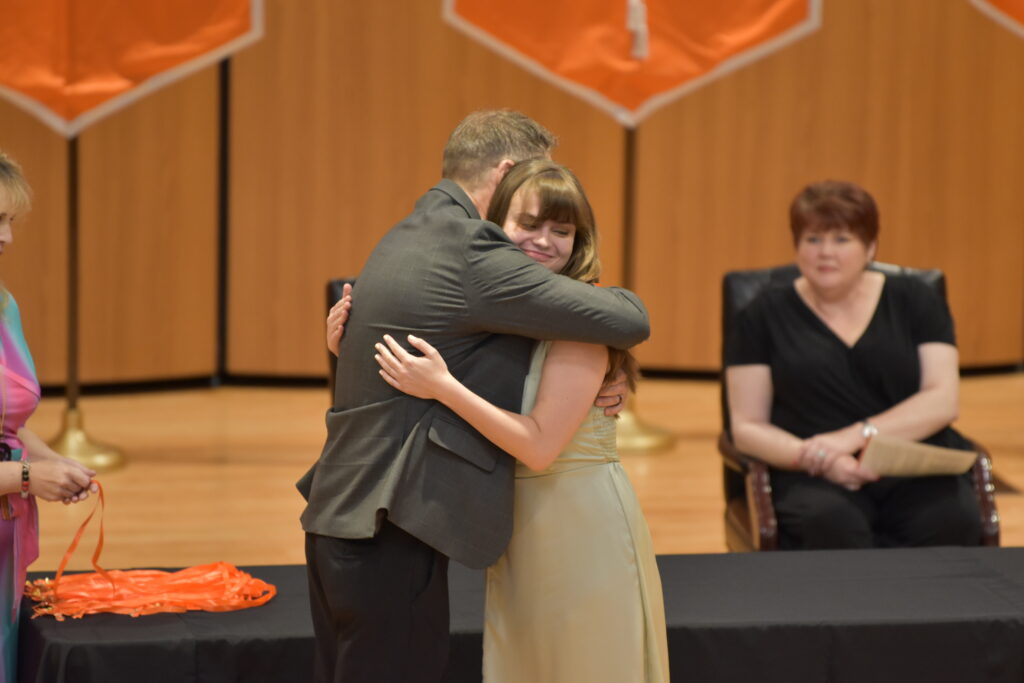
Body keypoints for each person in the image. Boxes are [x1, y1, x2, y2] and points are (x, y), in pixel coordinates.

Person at [297, 110, 649, 683]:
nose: (542, 237)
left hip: (347, 514)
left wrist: (591, 368)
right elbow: (630, 318)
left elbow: (455, 338)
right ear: (510, 172)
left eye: (560, 230)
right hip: (386, 525)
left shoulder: (413, 229)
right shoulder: (474, 248)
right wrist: (601, 341)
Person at [372, 158, 669, 682]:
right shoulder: (497, 313)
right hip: (521, 528)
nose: (545, 241)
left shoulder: (578, 322)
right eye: (529, 224)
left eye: (562, 230)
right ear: (495, 227)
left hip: (580, 527)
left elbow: (537, 447)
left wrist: (444, 388)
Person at [724, 179, 982, 549]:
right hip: (811, 471)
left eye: (842, 239)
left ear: (870, 247)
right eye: (813, 239)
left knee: (952, 520)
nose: (825, 252)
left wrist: (848, 440)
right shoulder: (760, 316)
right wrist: (821, 459)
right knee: (829, 525)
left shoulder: (915, 300)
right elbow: (748, 425)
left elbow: (942, 400)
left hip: (910, 461)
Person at [0, 151, 97, 679]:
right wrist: (31, 476)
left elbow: (6, 426)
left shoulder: (3, 304)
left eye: (10, 222)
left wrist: (53, 461)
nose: (8, 238)